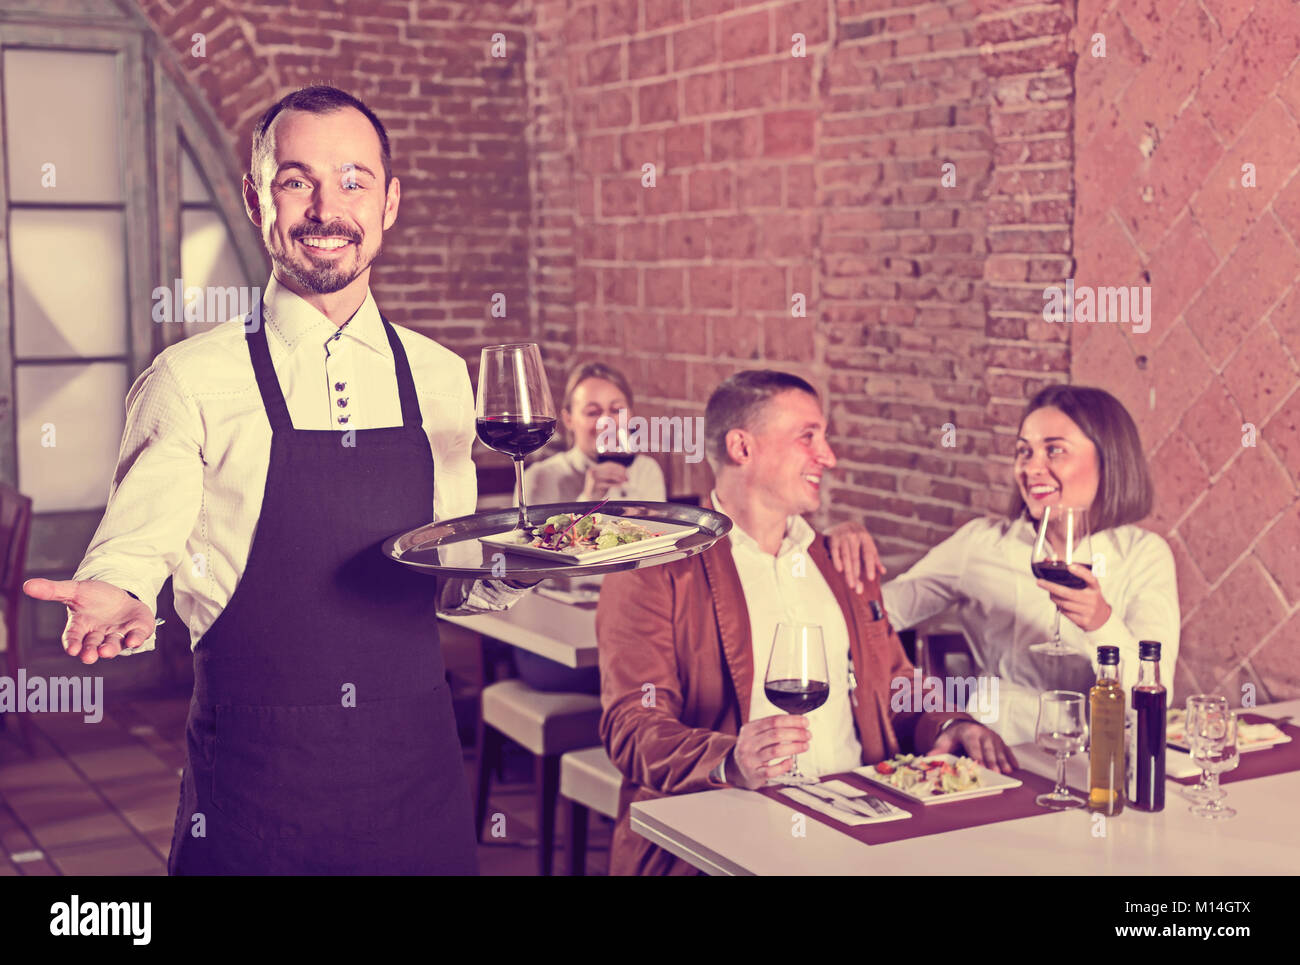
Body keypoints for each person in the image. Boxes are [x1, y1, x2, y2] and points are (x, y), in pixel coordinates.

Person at [22, 86, 538, 875]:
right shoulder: (189, 380)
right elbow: (136, 545)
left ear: (390, 202)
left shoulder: (440, 377)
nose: (327, 207)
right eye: (297, 180)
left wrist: (513, 567)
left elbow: (449, 573)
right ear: (255, 196)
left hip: (417, 776)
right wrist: (119, 590)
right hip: (256, 788)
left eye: (354, 180)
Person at [595, 370, 1017, 875]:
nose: (828, 456)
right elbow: (633, 728)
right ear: (742, 448)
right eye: (808, 437)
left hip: (863, 822)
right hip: (729, 831)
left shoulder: (842, 560)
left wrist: (950, 724)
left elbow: (897, 685)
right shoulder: (656, 567)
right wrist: (730, 759)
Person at [880, 385, 1180, 746]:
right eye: (1024, 451)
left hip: (1099, 757)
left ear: (1109, 459)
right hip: (994, 748)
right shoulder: (981, 543)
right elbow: (876, 616)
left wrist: (1100, 623)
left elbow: (1150, 703)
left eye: (1054, 450)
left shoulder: (1144, 555)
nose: (1031, 468)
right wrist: (836, 545)